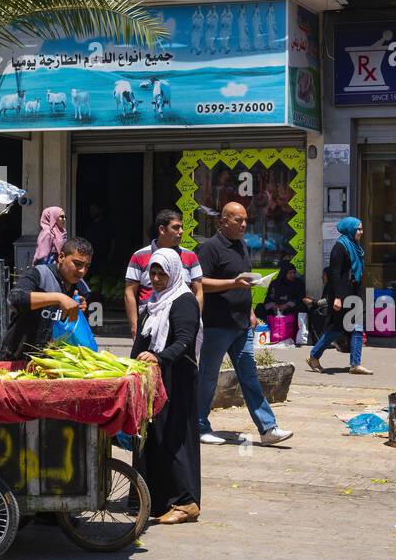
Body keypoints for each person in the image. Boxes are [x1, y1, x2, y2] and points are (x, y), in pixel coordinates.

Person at [196, 201, 293, 446]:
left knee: (249, 376)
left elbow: (245, 282)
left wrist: (250, 311)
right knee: (208, 376)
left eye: (245, 220)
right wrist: (233, 283)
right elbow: (199, 283)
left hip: (241, 325)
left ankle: (268, 428)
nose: (243, 224)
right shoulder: (209, 248)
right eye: (238, 220)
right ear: (223, 221)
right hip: (217, 324)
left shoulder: (242, 246)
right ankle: (198, 426)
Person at [131, 248, 202, 525]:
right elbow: (143, 338)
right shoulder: (155, 302)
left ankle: (186, 502)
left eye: (163, 273)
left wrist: (160, 358)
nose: (158, 278)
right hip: (155, 379)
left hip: (177, 379)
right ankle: (157, 499)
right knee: (154, 437)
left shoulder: (183, 301)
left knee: (175, 438)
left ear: (174, 273)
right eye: (154, 272)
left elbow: (184, 339)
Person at [0, 237, 93, 363]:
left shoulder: (82, 289)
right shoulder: (39, 274)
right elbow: (16, 298)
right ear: (61, 257)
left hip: (54, 364)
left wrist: (80, 313)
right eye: (77, 264)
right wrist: (59, 298)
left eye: (87, 266)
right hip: (18, 359)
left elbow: (77, 332)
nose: (82, 271)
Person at [125, 209, 203, 341]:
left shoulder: (190, 256)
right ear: (162, 229)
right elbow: (129, 293)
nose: (181, 232)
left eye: (182, 227)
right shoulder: (139, 256)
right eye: (176, 227)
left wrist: (194, 320)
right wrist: (134, 326)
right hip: (149, 322)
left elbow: (198, 291)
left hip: (181, 323)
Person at [307, 217, 372, 375]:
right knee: (337, 329)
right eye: (359, 229)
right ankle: (314, 356)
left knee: (356, 328)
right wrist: (337, 297)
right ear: (350, 229)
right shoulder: (340, 247)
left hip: (353, 293)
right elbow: (335, 274)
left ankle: (355, 364)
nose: (361, 232)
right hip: (342, 294)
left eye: (361, 229)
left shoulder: (355, 246)